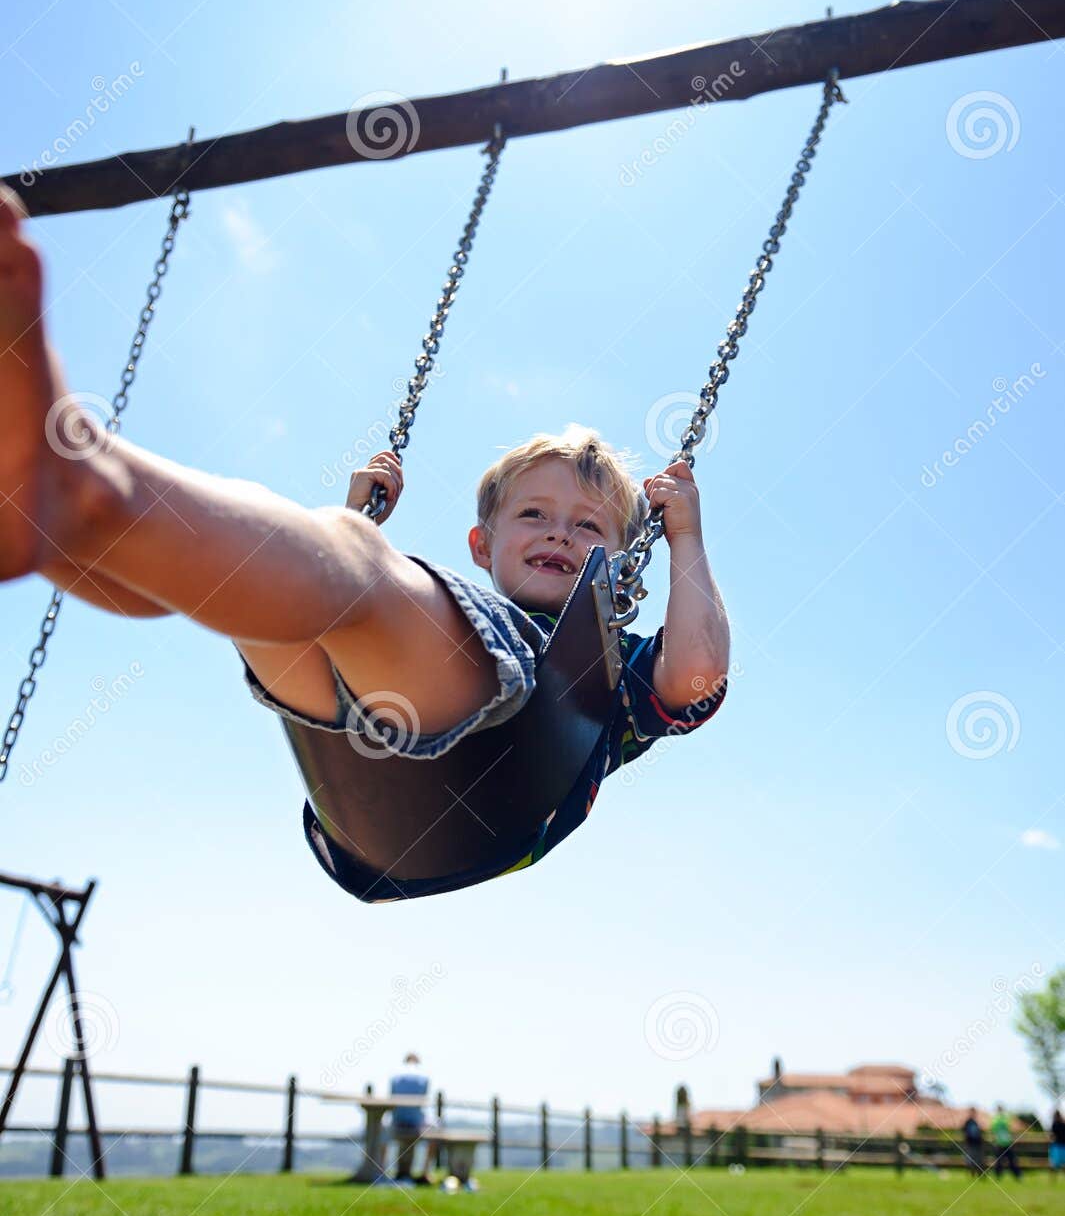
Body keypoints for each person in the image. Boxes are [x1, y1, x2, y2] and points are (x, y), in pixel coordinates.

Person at [0, 187, 729, 898]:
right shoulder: (456, 604)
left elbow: (696, 674)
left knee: (353, 562)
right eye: (534, 515)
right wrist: (339, 535)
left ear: (620, 554)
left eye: (589, 526)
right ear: (482, 543)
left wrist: (685, 536)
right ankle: (64, 533)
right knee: (245, 593)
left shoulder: (615, 665)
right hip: (356, 800)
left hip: (498, 790)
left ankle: (85, 493)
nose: (560, 534)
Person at [389, 1053, 430, 1184]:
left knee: (379, 1131)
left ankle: (380, 1171)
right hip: (416, 1124)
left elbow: (391, 1099)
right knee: (437, 1129)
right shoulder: (423, 1078)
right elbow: (424, 1099)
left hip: (397, 1122)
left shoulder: (395, 1077)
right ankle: (425, 1173)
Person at [990, 1104, 1021, 1180]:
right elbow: (1010, 1129)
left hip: (1003, 1143)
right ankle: (1016, 1176)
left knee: (1004, 1161)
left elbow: (993, 1132)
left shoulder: (996, 1120)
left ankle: (1000, 1176)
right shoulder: (1005, 1119)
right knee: (1009, 1161)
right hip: (1004, 1143)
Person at [961, 1108, 985, 1176]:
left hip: (977, 1143)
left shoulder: (976, 1122)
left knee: (979, 1159)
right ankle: (972, 1173)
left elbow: (980, 1133)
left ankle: (979, 1173)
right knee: (971, 1159)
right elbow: (964, 1131)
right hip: (970, 1143)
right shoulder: (968, 1122)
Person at [1049, 1108, 1065, 1177]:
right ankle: (1053, 1178)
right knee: (1057, 1163)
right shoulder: (1061, 1124)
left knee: (1054, 1164)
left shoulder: (1055, 1124)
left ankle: (1053, 1179)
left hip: (1057, 1146)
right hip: (1060, 1145)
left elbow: (1052, 1136)